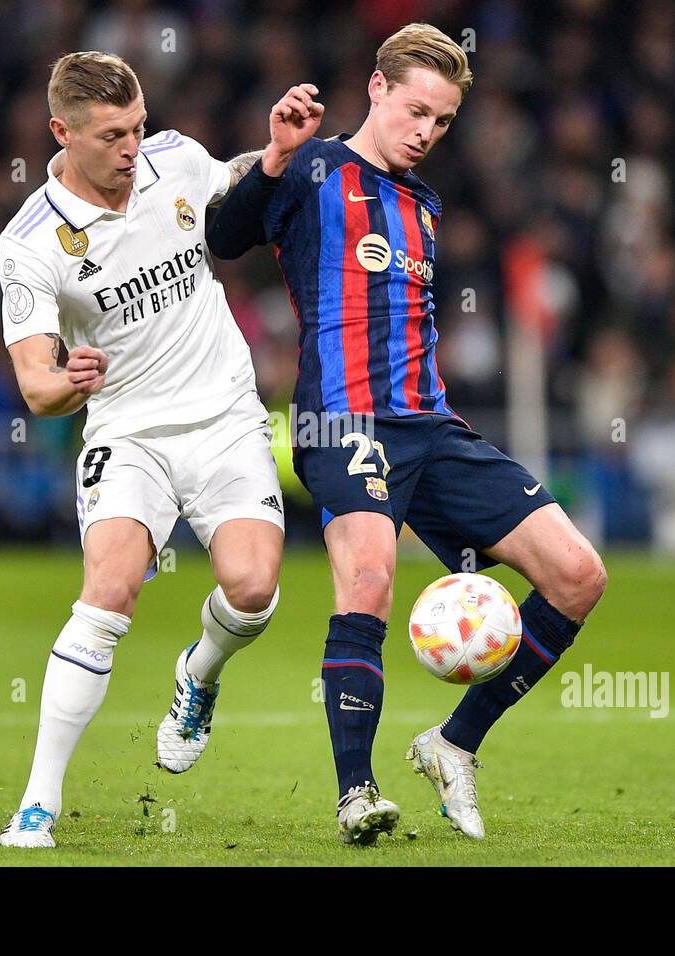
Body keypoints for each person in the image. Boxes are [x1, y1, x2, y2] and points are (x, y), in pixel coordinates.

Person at [207, 23, 607, 845]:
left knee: (577, 575)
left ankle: (454, 742)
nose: (426, 131)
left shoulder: (423, 204)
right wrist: (275, 154)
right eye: (417, 110)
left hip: (432, 424)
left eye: (444, 120)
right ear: (378, 89)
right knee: (371, 582)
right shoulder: (313, 168)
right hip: (343, 419)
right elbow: (224, 238)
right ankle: (357, 792)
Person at [0, 51, 306, 848]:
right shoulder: (32, 241)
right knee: (108, 594)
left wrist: (272, 153)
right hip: (128, 432)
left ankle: (197, 676)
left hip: (227, 416)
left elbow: (230, 182)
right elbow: (36, 384)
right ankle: (38, 802)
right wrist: (73, 380)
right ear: (61, 132)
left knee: (253, 588)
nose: (133, 147)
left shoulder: (171, 158)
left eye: (138, 126)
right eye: (111, 135)